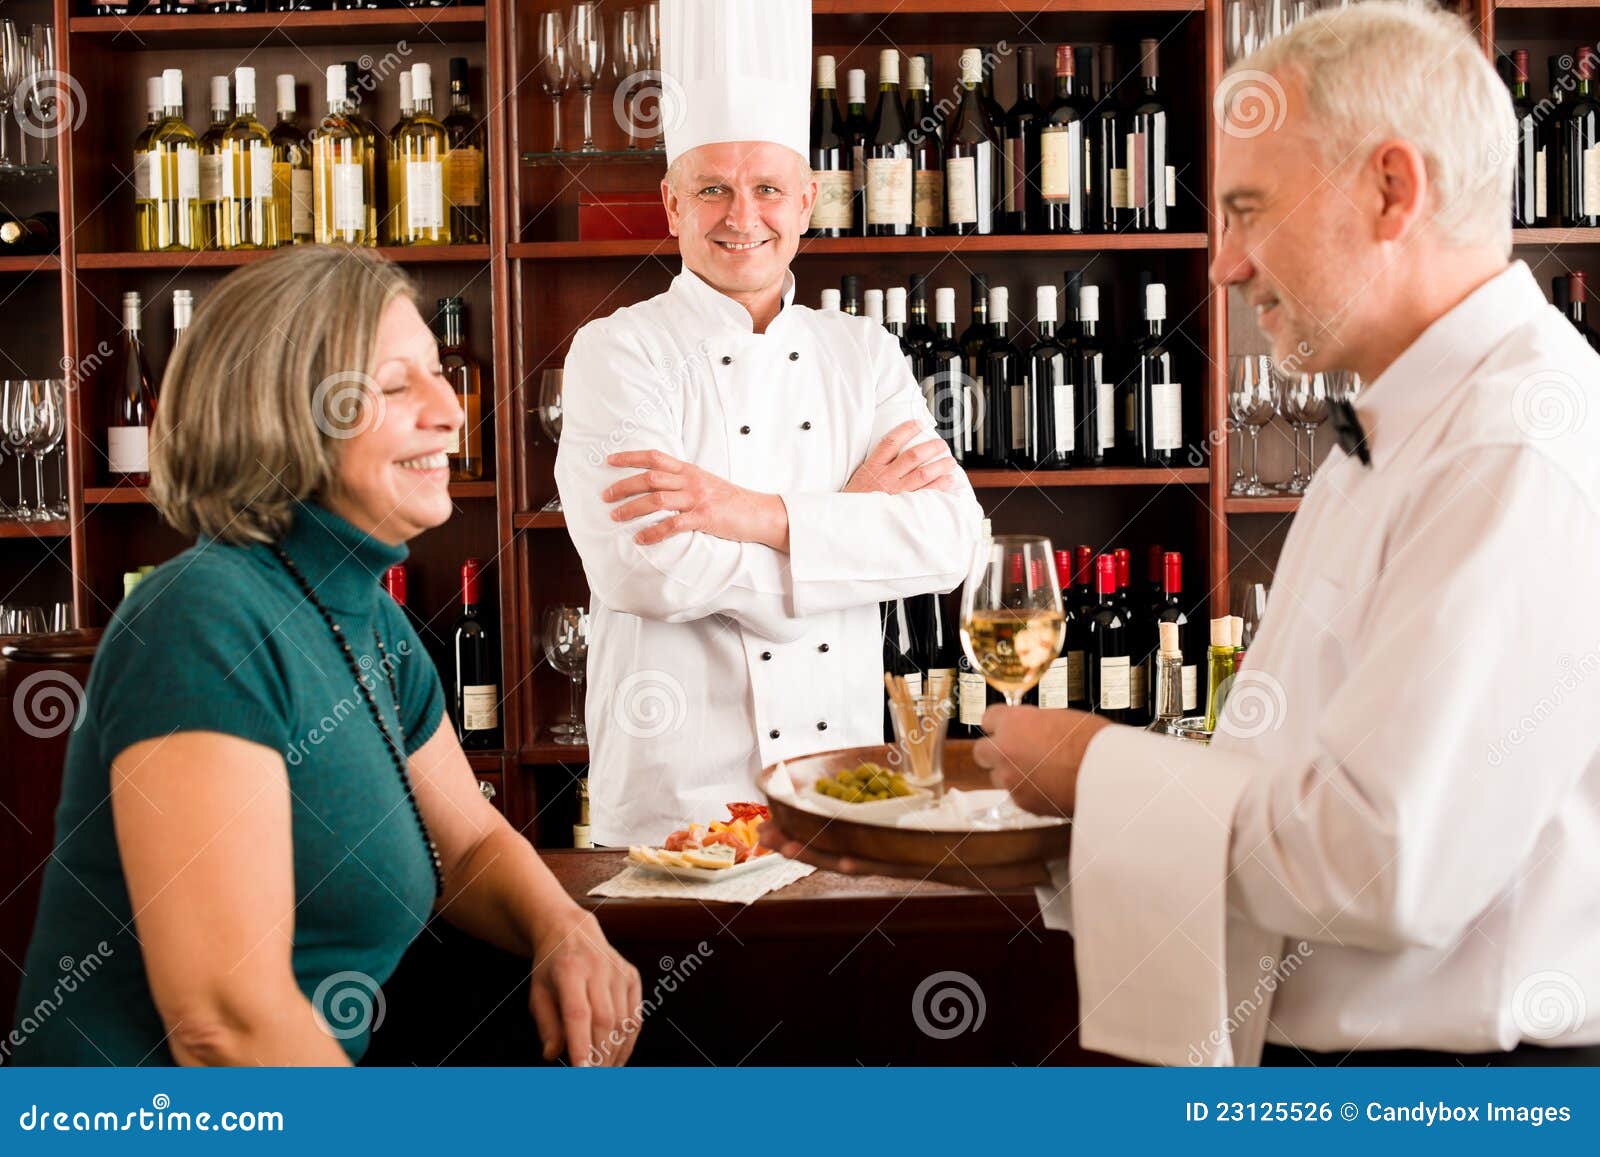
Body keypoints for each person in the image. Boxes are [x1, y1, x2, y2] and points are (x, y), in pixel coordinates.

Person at [774, 2, 1600, 1066]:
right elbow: (1301, 774)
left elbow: (1381, 863)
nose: (1224, 264)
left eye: (1251, 209)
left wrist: (1094, 765)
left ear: (1392, 190)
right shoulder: (1404, 418)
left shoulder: (1512, 447)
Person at [10, 247, 640, 1067]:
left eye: (440, 374)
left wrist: (565, 926)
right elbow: (224, 1021)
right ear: (281, 414)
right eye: (393, 385)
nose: (452, 411)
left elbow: (471, 845)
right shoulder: (203, 616)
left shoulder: (369, 618)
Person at [554, 0, 982, 846]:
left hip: (842, 792)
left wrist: (751, 514)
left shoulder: (864, 352)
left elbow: (953, 541)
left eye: (766, 189)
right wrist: (846, 522)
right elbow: (647, 573)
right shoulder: (616, 352)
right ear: (672, 204)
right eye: (712, 188)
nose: (740, 217)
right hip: (678, 806)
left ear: (807, 202)